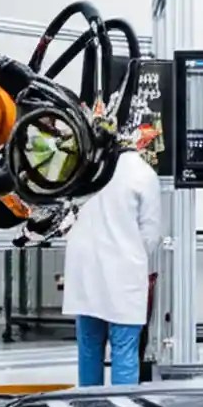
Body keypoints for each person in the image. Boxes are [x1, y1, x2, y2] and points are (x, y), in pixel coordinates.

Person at [62, 149, 161, 387]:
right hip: (124, 271)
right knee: (124, 348)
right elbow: (150, 234)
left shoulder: (82, 165)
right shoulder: (143, 173)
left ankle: (88, 404)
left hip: (85, 270)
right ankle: (122, 406)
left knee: (89, 347)